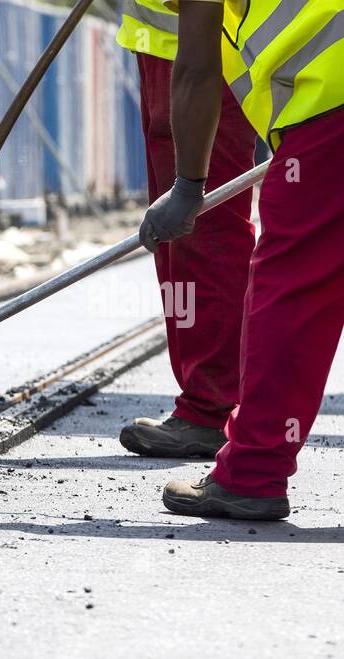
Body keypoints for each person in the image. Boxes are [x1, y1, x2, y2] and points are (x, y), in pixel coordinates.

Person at [143, 0, 344, 520]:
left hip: (330, 111)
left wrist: (188, 187)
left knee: (291, 291)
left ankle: (252, 472)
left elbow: (196, 69)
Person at [115, 0, 256, 459]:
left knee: (205, 229)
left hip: (209, 50)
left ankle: (212, 409)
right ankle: (203, 401)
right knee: (174, 239)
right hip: (169, 48)